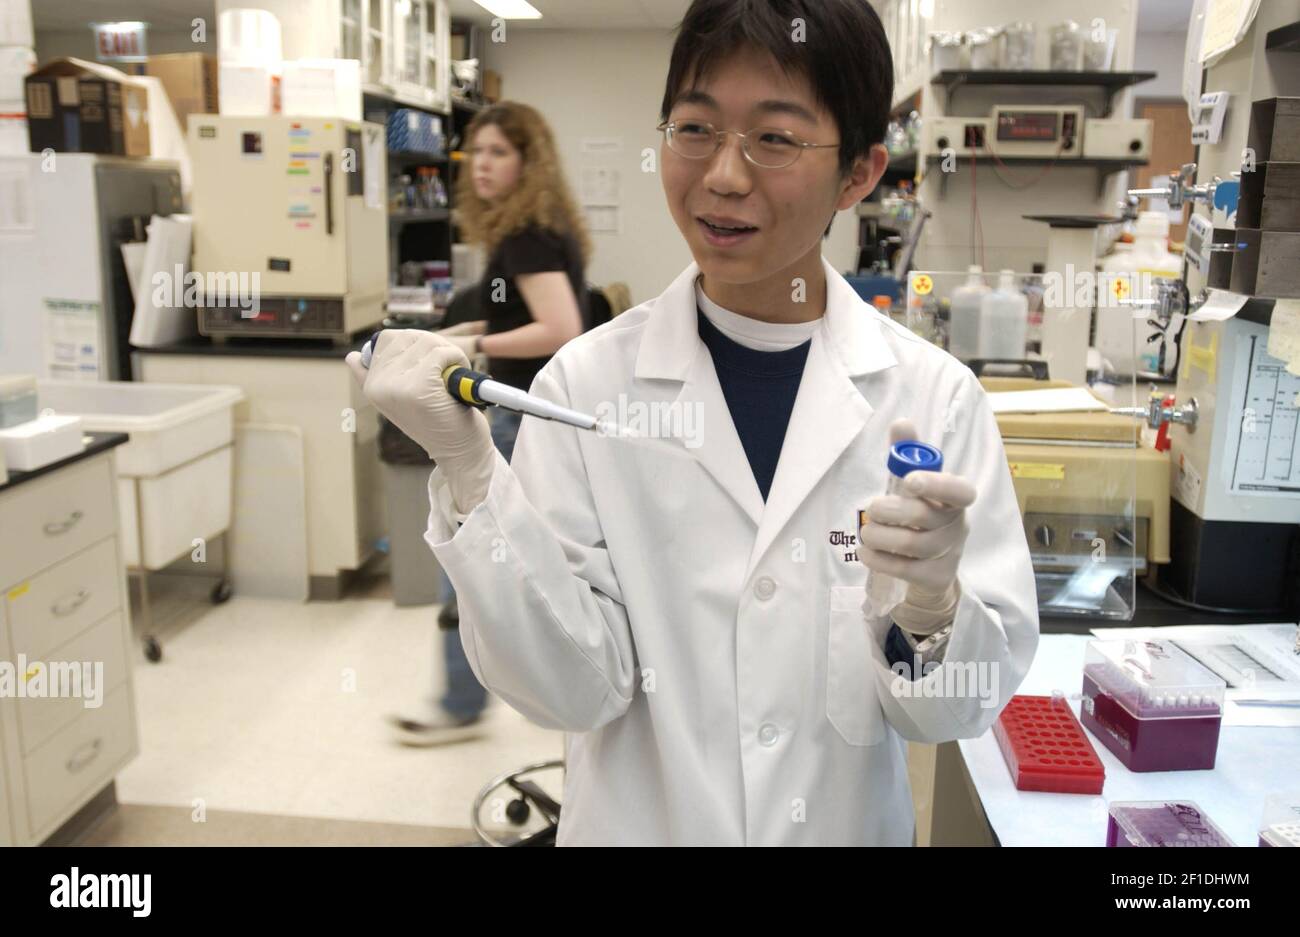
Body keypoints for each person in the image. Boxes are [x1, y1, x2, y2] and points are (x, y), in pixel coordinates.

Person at [349, 0, 1038, 843]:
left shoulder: (935, 399)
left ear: (858, 172)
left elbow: (952, 710)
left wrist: (932, 611)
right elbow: (569, 689)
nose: (722, 174)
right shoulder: (588, 386)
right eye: (695, 128)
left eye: (775, 139)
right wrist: (471, 476)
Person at [387, 102, 590, 746]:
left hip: (514, 419)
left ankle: (461, 701)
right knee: (500, 558)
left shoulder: (527, 237)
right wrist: (460, 334)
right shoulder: (530, 231)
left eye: (499, 152)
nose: (481, 165)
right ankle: (479, 694)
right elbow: (516, 325)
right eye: (476, 152)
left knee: (471, 560)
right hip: (525, 412)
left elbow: (561, 329)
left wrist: (474, 352)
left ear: (529, 163)